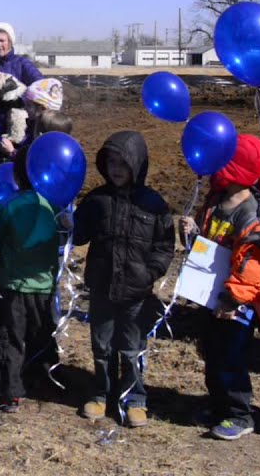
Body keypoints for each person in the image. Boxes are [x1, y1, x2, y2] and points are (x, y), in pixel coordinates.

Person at [180, 134, 260, 441]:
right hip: (211, 296)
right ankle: (217, 405)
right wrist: (193, 233)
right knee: (211, 352)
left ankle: (240, 414)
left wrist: (234, 300)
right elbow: (209, 246)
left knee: (231, 357)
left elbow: (251, 267)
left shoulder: (252, 215)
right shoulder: (215, 203)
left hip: (236, 303)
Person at [74, 131, 176, 427]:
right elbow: (81, 235)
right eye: (111, 162)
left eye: (123, 162)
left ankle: (134, 398)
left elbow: (164, 246)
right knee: (102, 347)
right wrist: (68, 218)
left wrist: (150, 272)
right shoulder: (97, 200)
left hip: (136, 292)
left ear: (137, 164)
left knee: (131, 349)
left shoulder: (154, 204)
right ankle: (100, 394)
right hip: (102, 287)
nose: (116, 168)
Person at [0, 147, 62, 413]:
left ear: (17, 176)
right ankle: (43, 378)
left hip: (14, 284)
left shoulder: (9, 206)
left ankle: (10, 391)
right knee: (41, 333)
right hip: (43, 284)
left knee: (11, 337)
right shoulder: (53, 205)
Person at [0, 22, 43, 159]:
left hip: (19, 128)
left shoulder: (22, 63)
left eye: (2, 41)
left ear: (10, 41)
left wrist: (18, 96)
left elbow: (40, 86)